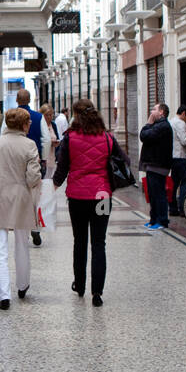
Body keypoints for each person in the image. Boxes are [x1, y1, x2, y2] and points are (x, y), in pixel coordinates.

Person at [52, 98, 129, 306]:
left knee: (80, 241)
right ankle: (97, 292)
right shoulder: (107, 138)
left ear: (76, 115)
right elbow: (125, 161)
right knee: (98, 242)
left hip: (77, 198)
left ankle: (80, 284)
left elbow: (62, 168)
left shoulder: (70, 138)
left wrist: (52, 187)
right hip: (102, 196)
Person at [0, 108, 43, 309]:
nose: (30, 125)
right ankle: (22, 286)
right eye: (28, 122)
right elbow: (33, 177)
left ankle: (4, 295)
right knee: (22, 244)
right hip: (21, 200)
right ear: (23, 125)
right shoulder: (30, 145)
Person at [0, 89, 50, 246]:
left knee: (16, 191)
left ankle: (18, 223)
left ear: (16, 99)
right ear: (29, 100)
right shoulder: (38, 116)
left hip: (13, 161)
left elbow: (3, 135)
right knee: (34, 194)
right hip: (34, 159)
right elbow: (46, 139)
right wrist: (43, 158)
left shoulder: (9, 116)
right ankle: (34, 227)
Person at [139, 102, 174, 230]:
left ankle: (162, 220)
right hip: (153, 165)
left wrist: (148, 123)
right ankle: (154, 219)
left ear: (161, 112)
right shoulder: (158, 125)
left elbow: (144, 135)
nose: (151, 111)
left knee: (158, 194)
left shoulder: (163, 126)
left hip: (158, 165)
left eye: (154, 109)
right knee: (152, 194)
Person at [169, 105, 186, 217]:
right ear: (183, 113)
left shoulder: (171, 121)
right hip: (180, 156)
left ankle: (173, 208)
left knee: (174, 184)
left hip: (172, 157)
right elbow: (185, 141)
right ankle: (183, 208)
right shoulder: (181, 123)